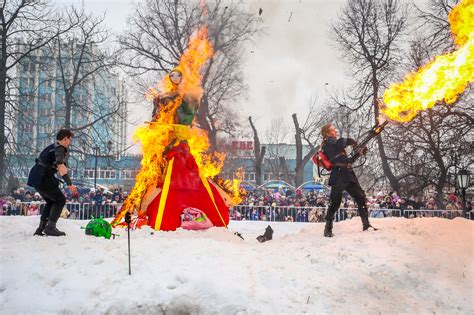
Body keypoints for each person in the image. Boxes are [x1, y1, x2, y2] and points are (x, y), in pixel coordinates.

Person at [320, 124, 375, 237]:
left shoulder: (338, 147)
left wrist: (358, 154)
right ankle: (328, 229)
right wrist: (353, 141)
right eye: (333, 130)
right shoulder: (328, 144)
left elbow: (348, 161)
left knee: (360, 197)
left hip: (348, 174)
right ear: (327, 133)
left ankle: (366, 225)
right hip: (338, 175)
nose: (335, 131)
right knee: (335, 203)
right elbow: (341, 142)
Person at [27, 129, 77, 236]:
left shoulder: (52, 147)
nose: (70, 143)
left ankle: (41, 228)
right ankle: (50, 227)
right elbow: (60, 165)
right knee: (60, 199)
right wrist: (70, 184)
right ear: (65, 138)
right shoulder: (60, 148)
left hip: (36, 176)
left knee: (51, 201)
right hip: (42, 176)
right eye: (70, 140)